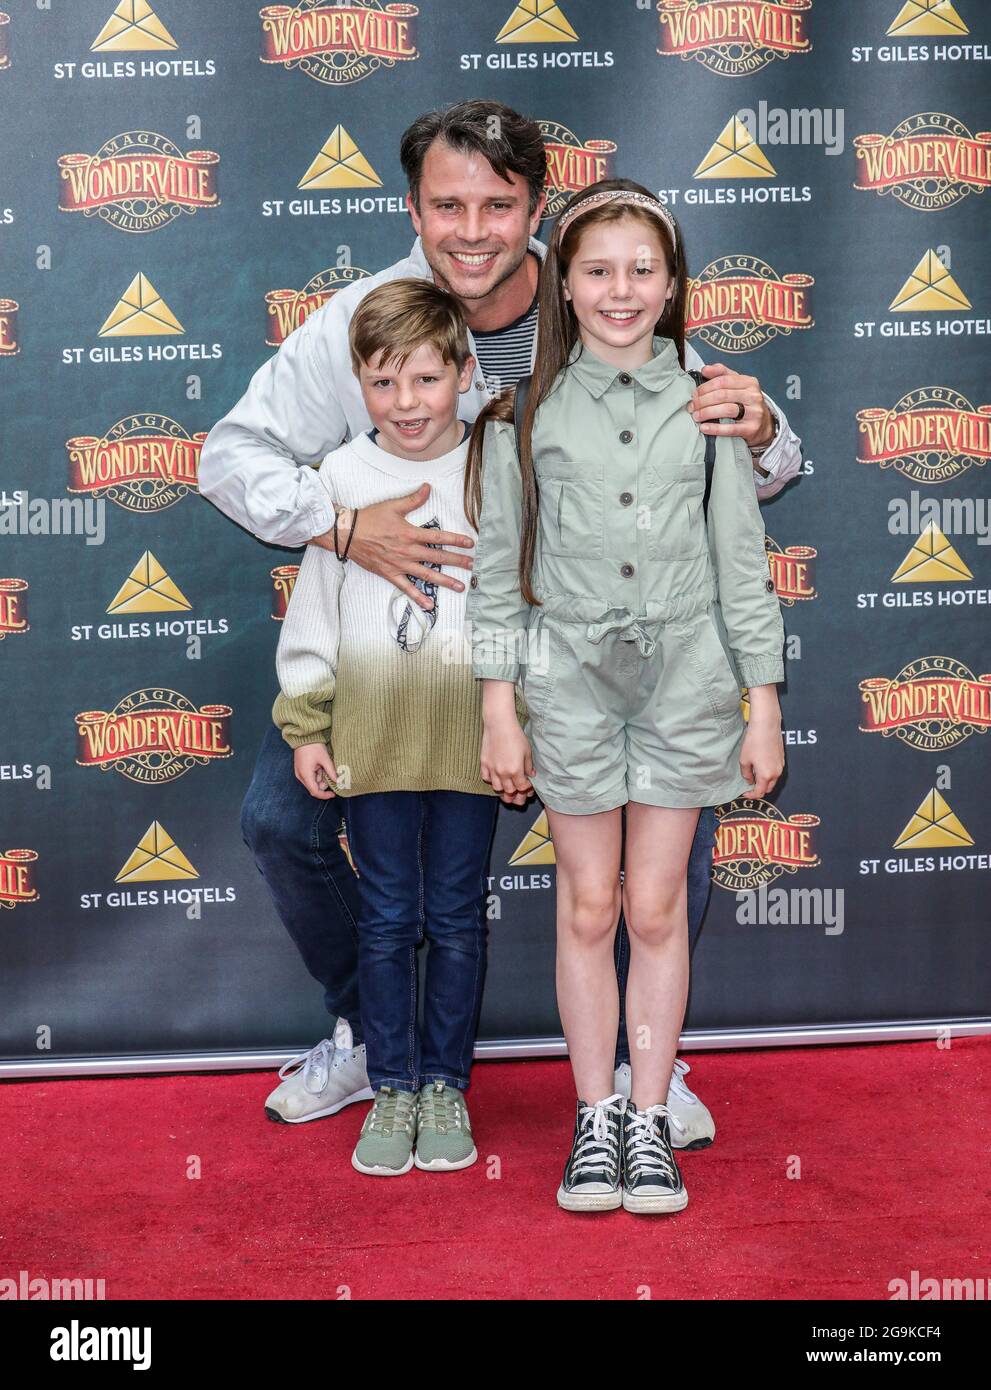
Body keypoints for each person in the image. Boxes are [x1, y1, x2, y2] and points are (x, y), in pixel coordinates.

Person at [197, 101, 803, 1133]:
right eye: (446, 205)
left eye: (497, 204)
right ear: (412, 207)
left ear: (536, 211)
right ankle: (366, 1034)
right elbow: (228, 456)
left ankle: (641, 1065)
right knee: (279, 820)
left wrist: (759, 428)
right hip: (408, 650)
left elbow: (755, 455)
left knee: (670, 830)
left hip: (582, 641)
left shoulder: (596, 300)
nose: (470, 230)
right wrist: (342, 527)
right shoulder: (363, 316)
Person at [463, 179, 786, 1213]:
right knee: (587, 903)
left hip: (687, 683)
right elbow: (497, 571)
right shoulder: (522, 414)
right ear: (563, 280)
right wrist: (498, 703)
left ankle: (649, 1117)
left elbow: (742, 563)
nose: (620, 289)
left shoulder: (711, 404)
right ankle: (592, 1118)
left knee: (654, 907)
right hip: (567, 686)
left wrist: (762, 700)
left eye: (643, 270)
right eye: (597, 269)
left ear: (674, 283)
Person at [273, 278, 527, 1176]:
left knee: (456, 917)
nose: (405, 403)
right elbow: (312, 616)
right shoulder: (338, 480)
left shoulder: (497, 466)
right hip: (372, 745)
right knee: (387, 920)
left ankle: (444, 1084)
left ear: (464, 373)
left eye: (424, 380)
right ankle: (390, 1086)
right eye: (383, 384)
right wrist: (308, 725)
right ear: (359, 384)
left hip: (470, 736)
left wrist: (519, 719)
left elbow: (525, 602)